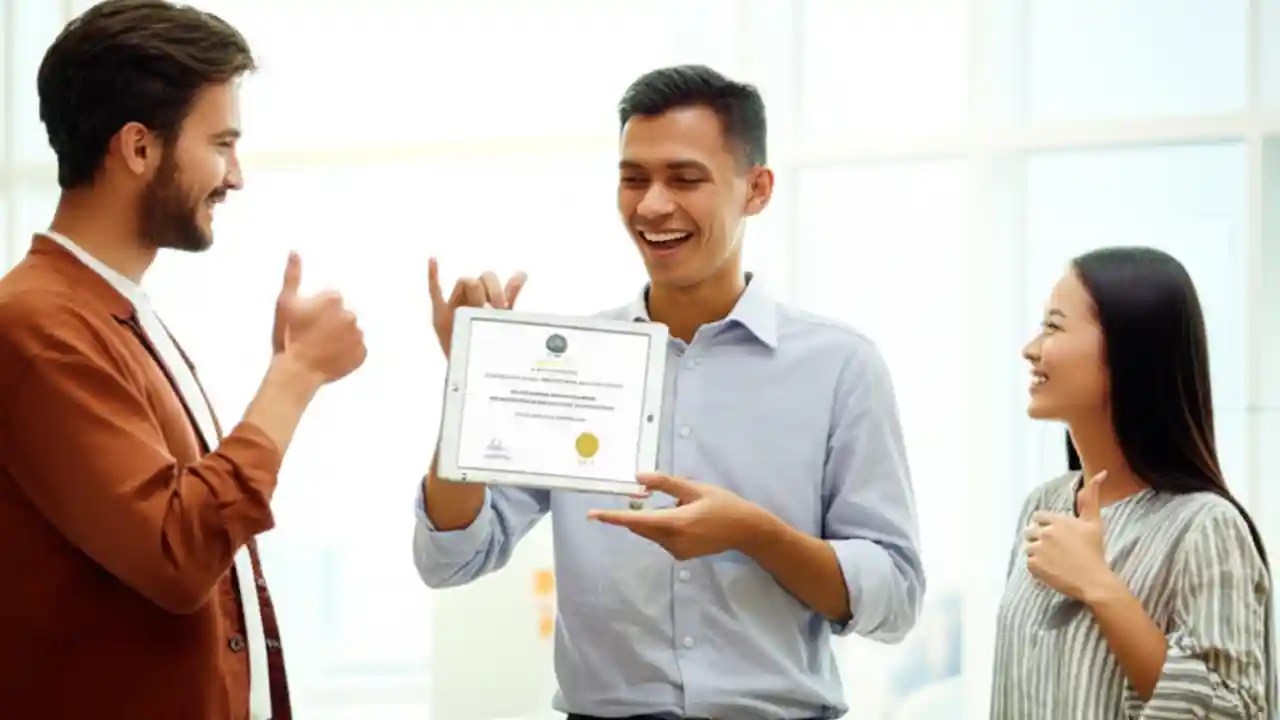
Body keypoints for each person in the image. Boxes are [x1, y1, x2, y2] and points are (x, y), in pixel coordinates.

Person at [414, 64, 924, 719]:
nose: (652, 206)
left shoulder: (839, 366)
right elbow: (453, 556)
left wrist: (754, 533)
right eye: (634, 179)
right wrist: (469, 381)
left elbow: (894, 598)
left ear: (757, 189)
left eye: (685, 179)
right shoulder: (571, 363)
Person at [0, 1, 366, 717]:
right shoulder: (39, 326)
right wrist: (293, 380)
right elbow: (176, 554)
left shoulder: (112, 312)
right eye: (222, 143)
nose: (236, 176)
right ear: (139, 149)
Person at [991, 247, 1275, 719]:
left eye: (1054, 326)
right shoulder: (1043, 505)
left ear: (1128, 350)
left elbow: (1236, 712)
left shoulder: (1205, 526)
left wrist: (1099, 586)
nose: (1032, 348)